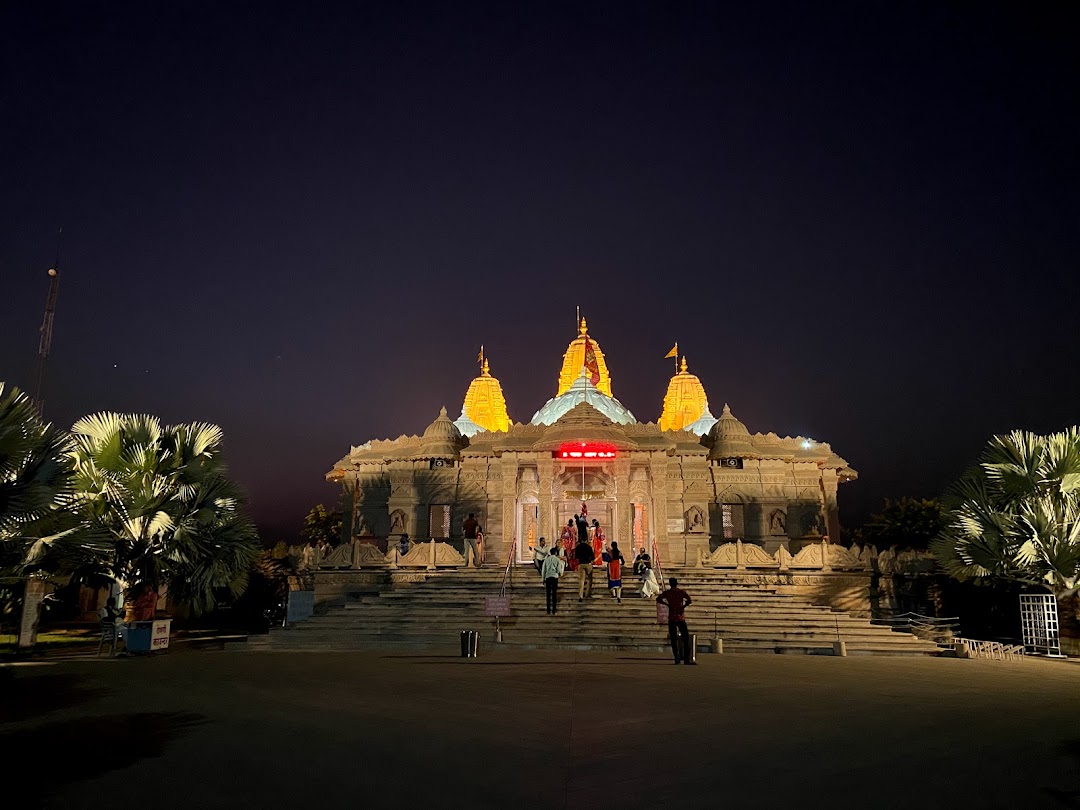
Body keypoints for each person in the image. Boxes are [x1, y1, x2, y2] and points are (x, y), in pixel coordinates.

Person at [657, 577, 694, 664]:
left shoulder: (668, 593)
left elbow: (658, 599)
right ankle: (686, 659)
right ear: (677, 583)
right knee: (686, 638)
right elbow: (689, 600)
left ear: (670, 584)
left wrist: (667, 604)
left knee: (673, 639)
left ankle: (677, 658)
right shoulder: (680, 592)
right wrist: (683, 606)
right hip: (680, 617)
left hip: (672, 617)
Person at [541, 544, 566, 614]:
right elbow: (559, 569)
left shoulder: (546, 560)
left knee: (548, 594)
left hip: (548, 577)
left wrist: (543, 578)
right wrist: (560, 574)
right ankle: (554, 610)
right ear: (555, 553)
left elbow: (543, 570)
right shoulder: (557, 560)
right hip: (554, 577)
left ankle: (548, 610)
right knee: (554, 593)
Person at [574, 535, 595, 601]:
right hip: (588, 564)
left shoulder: (578, 547)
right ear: (586, 540)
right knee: (589, 580)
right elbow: (592, 557)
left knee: (581, 580)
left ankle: (580, 596)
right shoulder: (589, 547)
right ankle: (587, 594)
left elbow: (576, 557)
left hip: (581, 564)